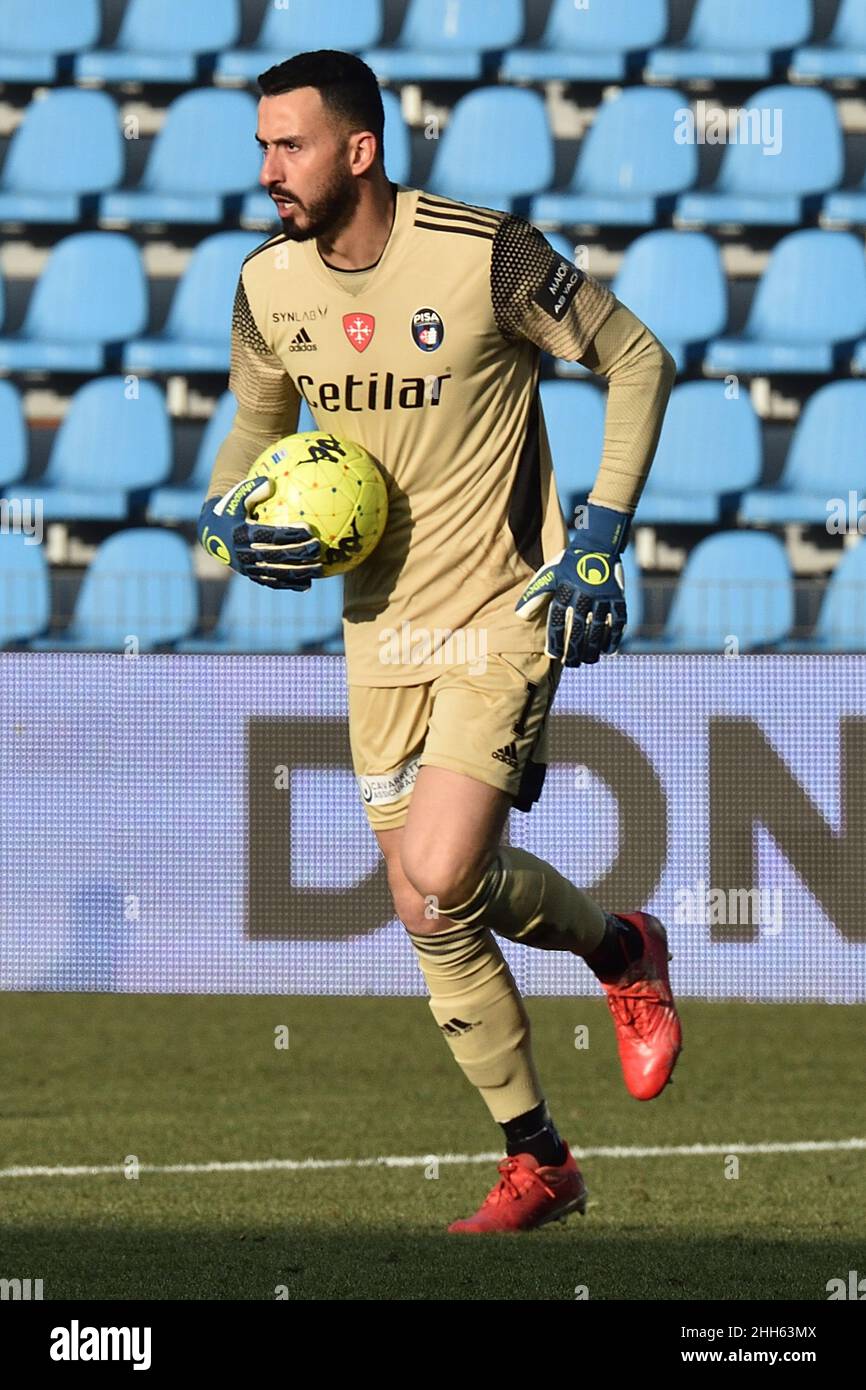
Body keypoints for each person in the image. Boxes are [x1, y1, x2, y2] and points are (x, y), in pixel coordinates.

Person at [198, 48, 681, 1234]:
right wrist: (223, 523)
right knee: (425, 908)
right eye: (260, 145)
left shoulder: (483, 254)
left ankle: (618, 960)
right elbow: (249, 441)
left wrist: (598, 539)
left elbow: (635, 358)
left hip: (504, 608)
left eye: (288, 144)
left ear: (358, 149)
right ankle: (547, 1144)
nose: (267, 170)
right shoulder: (264, 287)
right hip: (375, 627)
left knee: (443, 869)